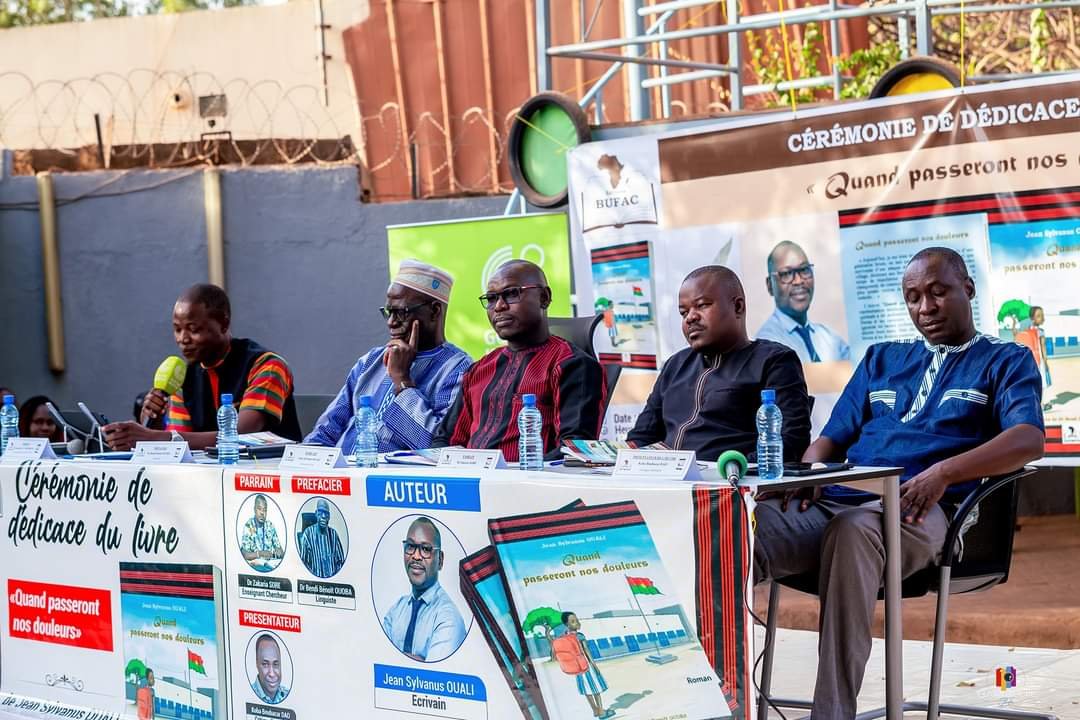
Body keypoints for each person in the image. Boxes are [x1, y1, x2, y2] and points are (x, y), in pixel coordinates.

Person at [753, 247, 1045, 720]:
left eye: (937, 292)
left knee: (854, 531)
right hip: (840, 500)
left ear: (967, 289)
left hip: (921, 514)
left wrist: (945, 472)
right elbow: (829, 440)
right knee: (741, 528)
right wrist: (806, 473)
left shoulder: (1004, 361)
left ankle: (832, 715)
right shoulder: (881, 360)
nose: (925, 308)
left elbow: (1029, 438)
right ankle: (707, 691)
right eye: (912, 298)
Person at [627, 265, 811, 462]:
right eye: (683, 312)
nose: (690, 317)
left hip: (733, 484)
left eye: (702, 305)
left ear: (738, 307)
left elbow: (791, 441)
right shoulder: (675, 364)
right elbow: (642, 436)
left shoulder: (774, 360)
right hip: (668, 485)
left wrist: (734, 469)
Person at [432, 260, 605, 461]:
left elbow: (572, 451)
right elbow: (445, 440)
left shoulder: (572, 365)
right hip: (471, 484)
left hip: (530, 486)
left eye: (512, 293)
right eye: (491, 298)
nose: (499, 306)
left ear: (544, 297)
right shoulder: (479, 370)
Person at [103, 284, 302, 451]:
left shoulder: (266, 365)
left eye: (193, 329)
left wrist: (155, 437)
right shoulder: (182, 376)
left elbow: (241, 435)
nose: (183, 339)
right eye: (177, 329)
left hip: (269, 480)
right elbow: (180, 440)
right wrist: (152, 424)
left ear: (224, 324)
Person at [306, 260, 471, 452]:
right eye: (388, 312)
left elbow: (437, 448)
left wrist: (402, 380)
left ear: (434, 311)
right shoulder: (371, 361)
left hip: (396, 481)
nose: (391, 322)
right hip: (347, 477)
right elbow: (327, 430)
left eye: (401, 313)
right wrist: (302, 464)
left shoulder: (458, 368)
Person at [382, 517, 466, 662]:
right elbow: (374, 655)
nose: (415, 556)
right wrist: (420, 659)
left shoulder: (449, 618)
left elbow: (432, 675)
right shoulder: (396, 610)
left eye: (426, 549)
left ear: (440, 560)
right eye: (410, 546)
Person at [755, 241, 850, 363]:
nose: (799, 281)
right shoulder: (766, 343)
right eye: (787, 274)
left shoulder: (829, 338)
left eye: (804, 270)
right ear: (770, 286)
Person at [545, 612, 612, 719]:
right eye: (573, 621)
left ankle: (595, 710)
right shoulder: (580, 636)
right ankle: (601, 712)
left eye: (576, 620)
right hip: (586, 666)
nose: (577, 623)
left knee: (586, 690)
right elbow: (587, 651)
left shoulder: (563, 637)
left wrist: (548, 635)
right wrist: (594, 665)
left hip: (576, 668)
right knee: (596, 690)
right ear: (567, 624)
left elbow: (554, 648)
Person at [297, 498, 346, 578]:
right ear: (316, 514)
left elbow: (340, 561)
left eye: (326, 513)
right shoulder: (308, 534)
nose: (323, 516)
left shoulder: (333, 534)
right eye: (321, 513)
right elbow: (303, 563)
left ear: (329, 516)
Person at [240, 494, 285, 571]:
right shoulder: (249, 525)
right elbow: (245, 554)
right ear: (254, 509)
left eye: (264, 510)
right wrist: (260, 553)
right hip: (254, 567)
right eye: (259, 509)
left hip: (270, 566)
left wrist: (279, 552)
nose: (262, 513)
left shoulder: (270, 526)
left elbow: (280, 550)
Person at [251, 634, 289, 704]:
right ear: (257, 664)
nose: (271, 673)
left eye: (275, 664)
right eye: (265, 664)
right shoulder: (247, 693)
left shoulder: (288, 694)